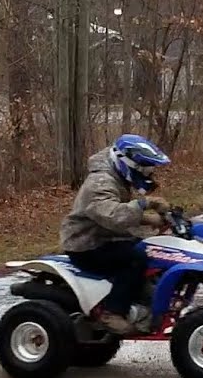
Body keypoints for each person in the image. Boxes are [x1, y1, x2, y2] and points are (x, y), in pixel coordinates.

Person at [59, 134, 173, 335]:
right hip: (86, 244)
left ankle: (147, 301)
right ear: (129, 164)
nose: (149, 174)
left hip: (106, 236)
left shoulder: (114, 176)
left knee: (154, 250)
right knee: (135, 259)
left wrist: (154, 220)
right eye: (145, 169)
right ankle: (113, 313)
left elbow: (120, 215)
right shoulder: (100, 182)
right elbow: (112, 215)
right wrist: (145, 205)